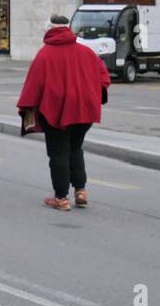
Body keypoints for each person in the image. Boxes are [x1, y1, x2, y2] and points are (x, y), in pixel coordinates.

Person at [17, 14, 111, 211]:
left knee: (59, 153)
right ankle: (80, 190)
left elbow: (33, 88)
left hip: (56, 111)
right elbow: (104, 78)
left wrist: (26, 111)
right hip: (84, 110)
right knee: (75, 148)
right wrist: (92, 95)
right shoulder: (87, 52)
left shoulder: (44, 54)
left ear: (49, 29)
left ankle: (61, 197)